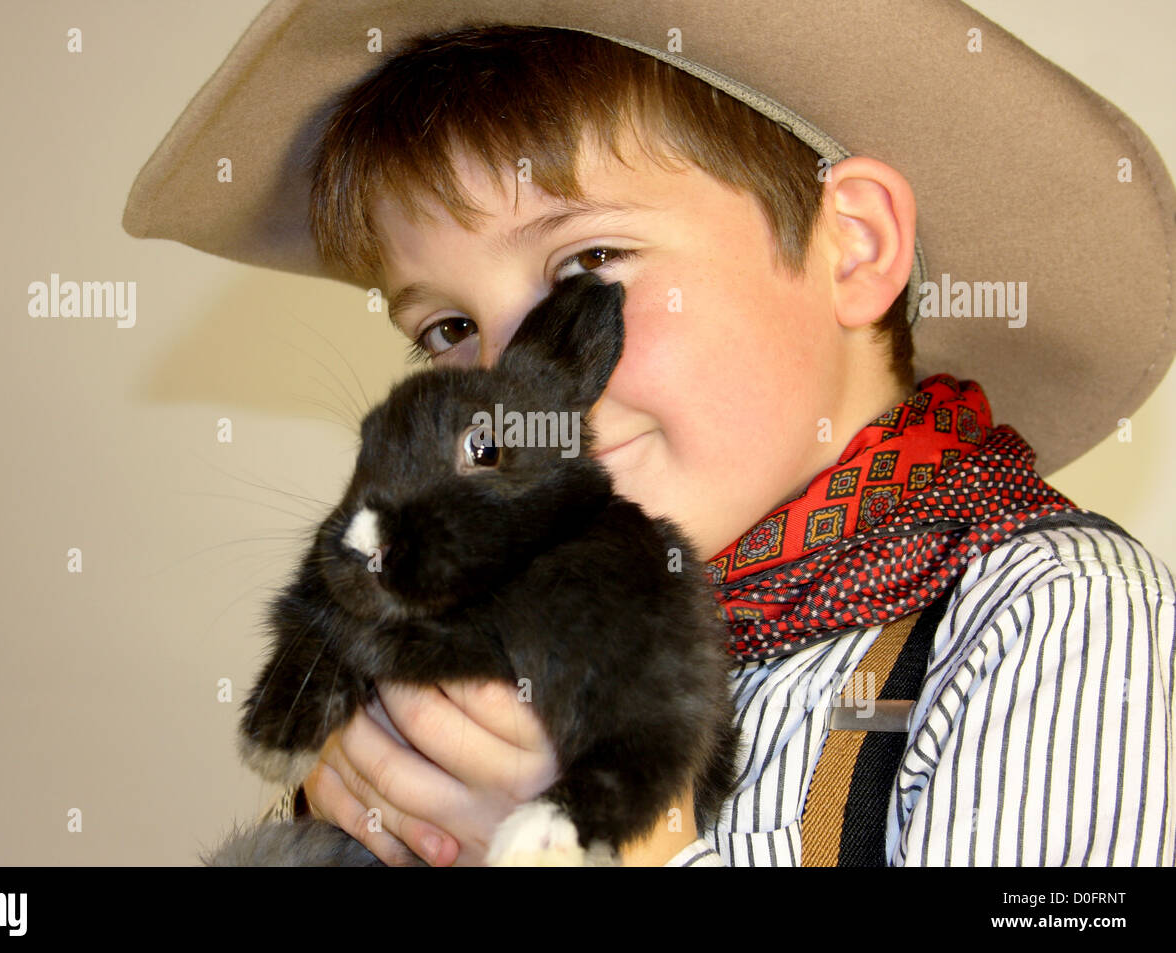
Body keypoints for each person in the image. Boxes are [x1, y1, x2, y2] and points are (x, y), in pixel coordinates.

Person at [123, 0, 1176, 866]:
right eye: (448, 328)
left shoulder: (1053, 618)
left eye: (585, 267)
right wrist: (356, 811)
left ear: (851, 248)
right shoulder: (467, 636)